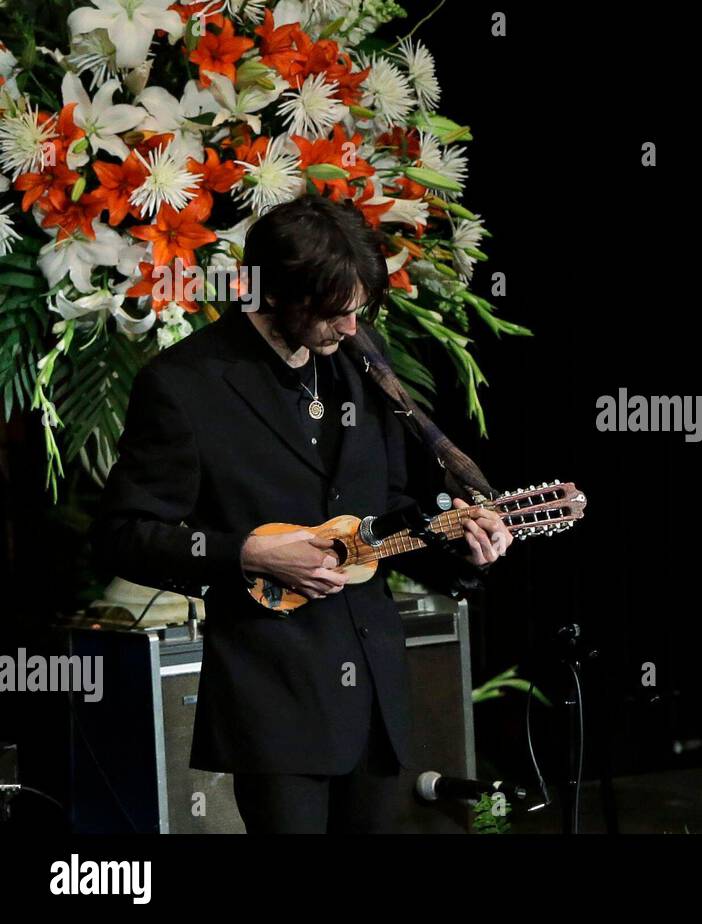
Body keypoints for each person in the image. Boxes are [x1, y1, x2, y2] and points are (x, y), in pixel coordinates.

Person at [92, 195, 513, 833]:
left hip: (372, 690)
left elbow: (388, 508)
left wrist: (456, 539)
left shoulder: (362, 359)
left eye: (358, 311)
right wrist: (247, 554)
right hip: (275, 696)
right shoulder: (187, 385)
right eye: (334, 312)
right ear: (277, 295)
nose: (349, 328)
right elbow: (123, 535)